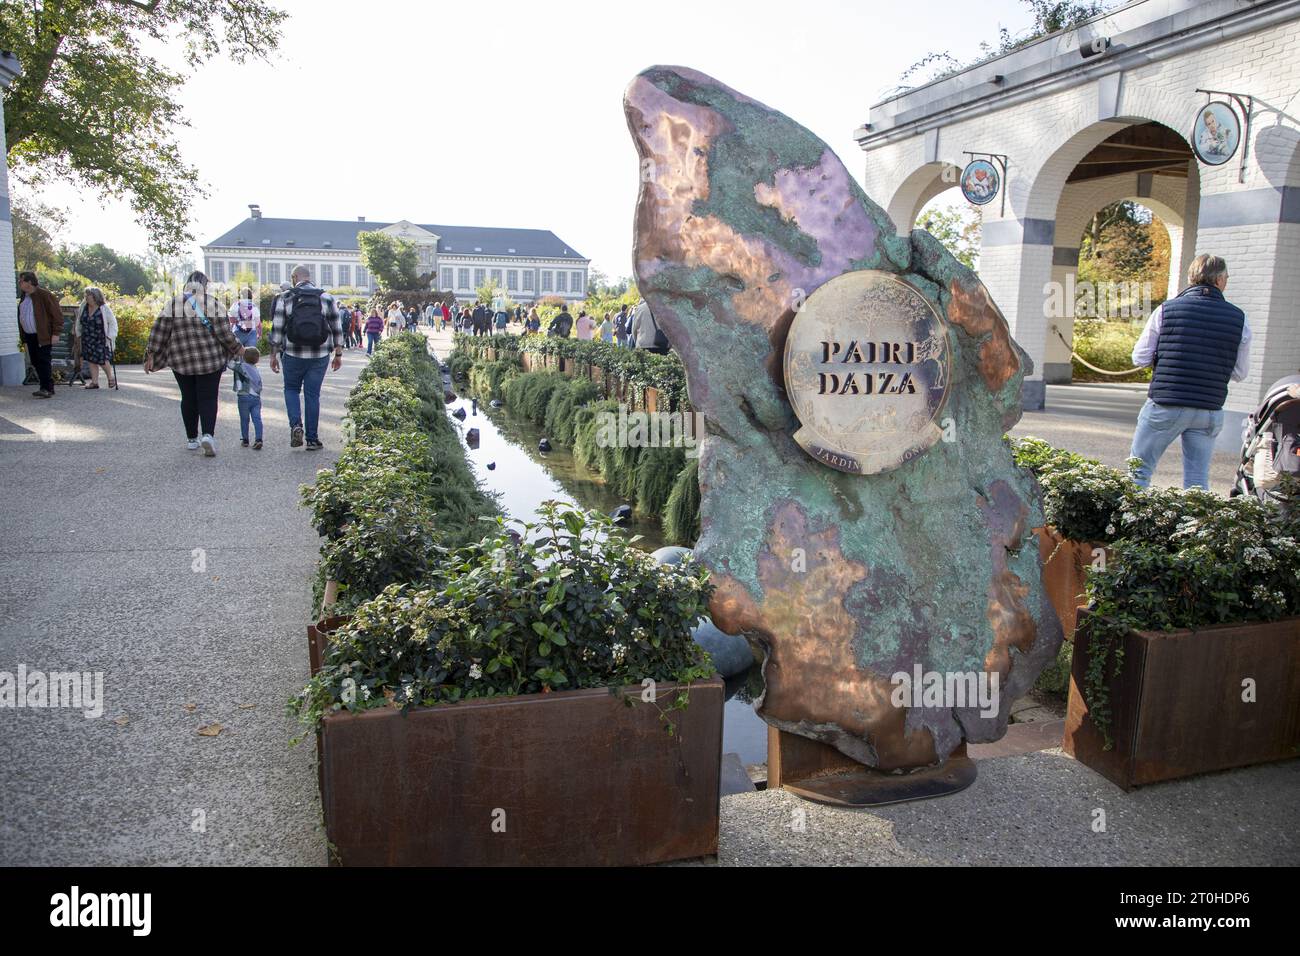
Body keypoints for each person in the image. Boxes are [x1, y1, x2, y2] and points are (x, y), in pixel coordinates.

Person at [1129, 253, 1251, 490]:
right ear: (1219, 280)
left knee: (1139, 470)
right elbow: (1240, 373)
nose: (1227, 281)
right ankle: (1196, 527)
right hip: (1208, 409)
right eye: (1227, 277)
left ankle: (1129, 525)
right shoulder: (1239, 319)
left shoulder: (1166, 310)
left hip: (1166, 403)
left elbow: (1140, 357)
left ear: (1192, 277)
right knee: (1197, 480)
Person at [145, 270, 243, 455]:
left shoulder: (173, 304)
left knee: (188, 397)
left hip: (180, 359)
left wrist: (151, 353)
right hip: (209, 360)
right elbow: (225, 334)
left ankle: (191, 438)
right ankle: (208, 435)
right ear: (204, 285)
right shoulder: (213, 303)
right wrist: (239, 349)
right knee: (208, 397)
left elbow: (159, 331)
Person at [268, 264, 344, 451]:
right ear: (309, 278)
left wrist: (273, 355)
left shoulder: (285, 298)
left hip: (293, 354)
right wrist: (338, 354)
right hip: (319, 355)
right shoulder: (326, 298)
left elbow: (277, 330)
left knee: (291, 390)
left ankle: (296, 425)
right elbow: (337, 328)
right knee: (312, 395)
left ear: (294, 278)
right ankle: (312, 439)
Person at [17, 271, 64, 399]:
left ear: (30, 282)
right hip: (30, 335)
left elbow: (57, 315)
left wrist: (56, 333)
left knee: (43, 361)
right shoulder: (24, 297)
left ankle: (46, 388)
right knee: (35, 361)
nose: (19, 283)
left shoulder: (45, 295)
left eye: (21, 280)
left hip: (42, 335)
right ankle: (48, 386)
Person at [76, 286, 118, 389]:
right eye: (85, 295)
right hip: (87, 337)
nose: (86, 297)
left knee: (102, 359)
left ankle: (110, 378)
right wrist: (78, 332)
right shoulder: (84, 306)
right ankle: (94, 382)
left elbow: (113, 323)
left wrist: (110, 336)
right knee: (91, 359)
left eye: (88, 295)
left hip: (101, 338)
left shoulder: (104, 308)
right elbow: (79, 320)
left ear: (95, 297)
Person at [231, 346, 264, 450]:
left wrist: (235, 355)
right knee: (257, 419)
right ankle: (259, 439)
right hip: (256, 398)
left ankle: (245, 440)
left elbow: (229, 364)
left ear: (243, 357)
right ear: (257, 360)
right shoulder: (255, 370)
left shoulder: (241, 367)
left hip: (243, 397)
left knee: (244, 419)